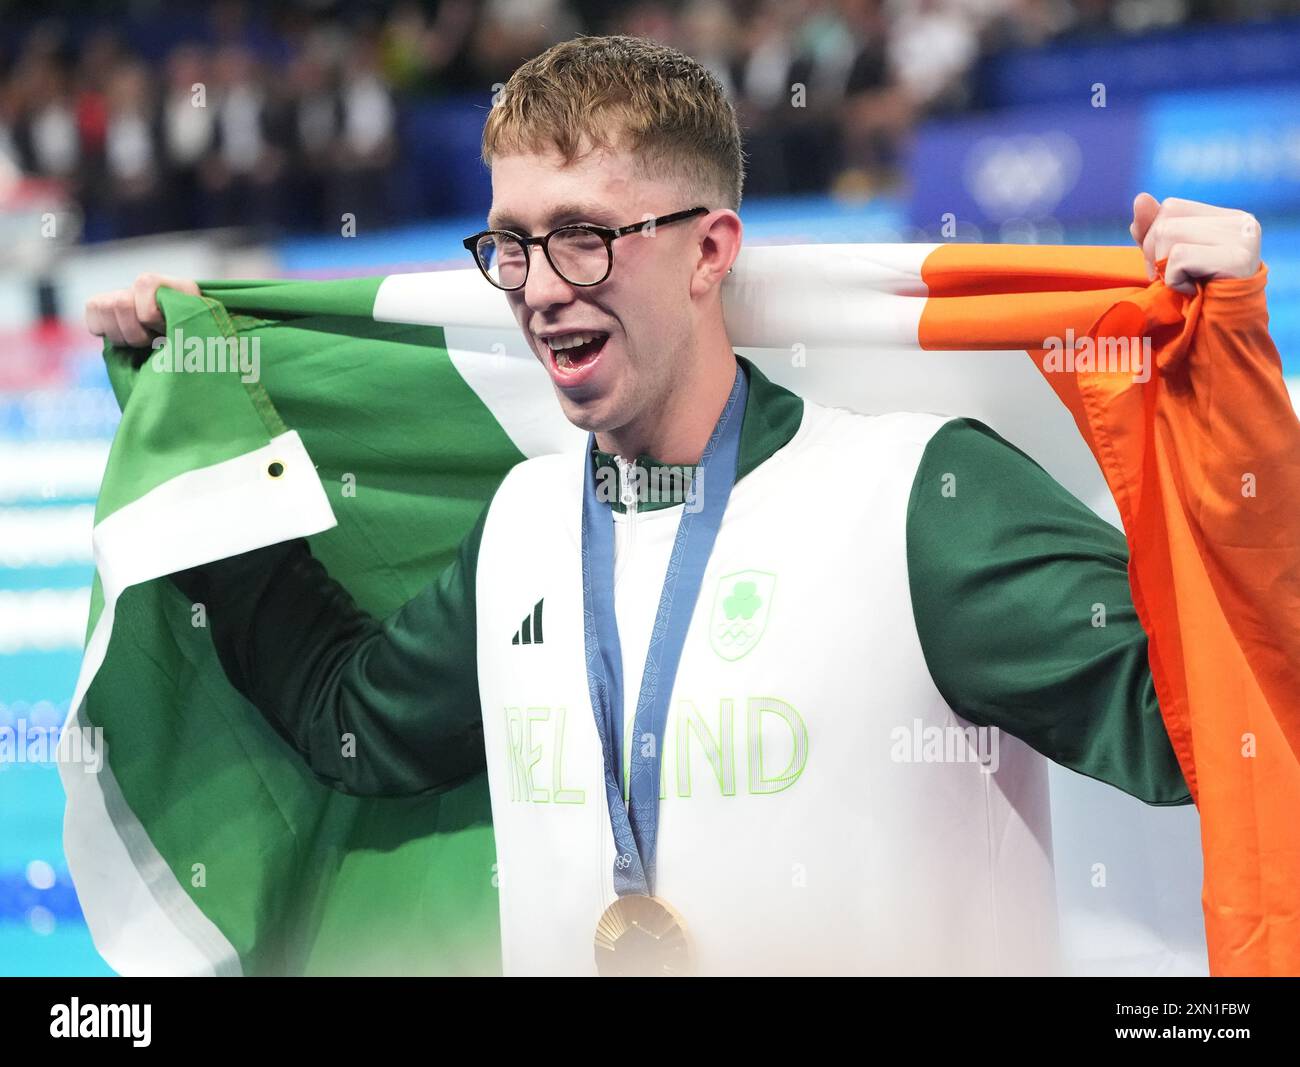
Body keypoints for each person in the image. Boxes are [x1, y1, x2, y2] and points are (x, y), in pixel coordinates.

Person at [85, 34, 1264, 977]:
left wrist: (1235, 410)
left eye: (587, 239)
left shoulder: (917, 502)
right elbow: (353, 722)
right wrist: (207, 444)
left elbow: (1224, 719)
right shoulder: (522, 528)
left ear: (710, 252)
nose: (543, 291)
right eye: (513, 245)